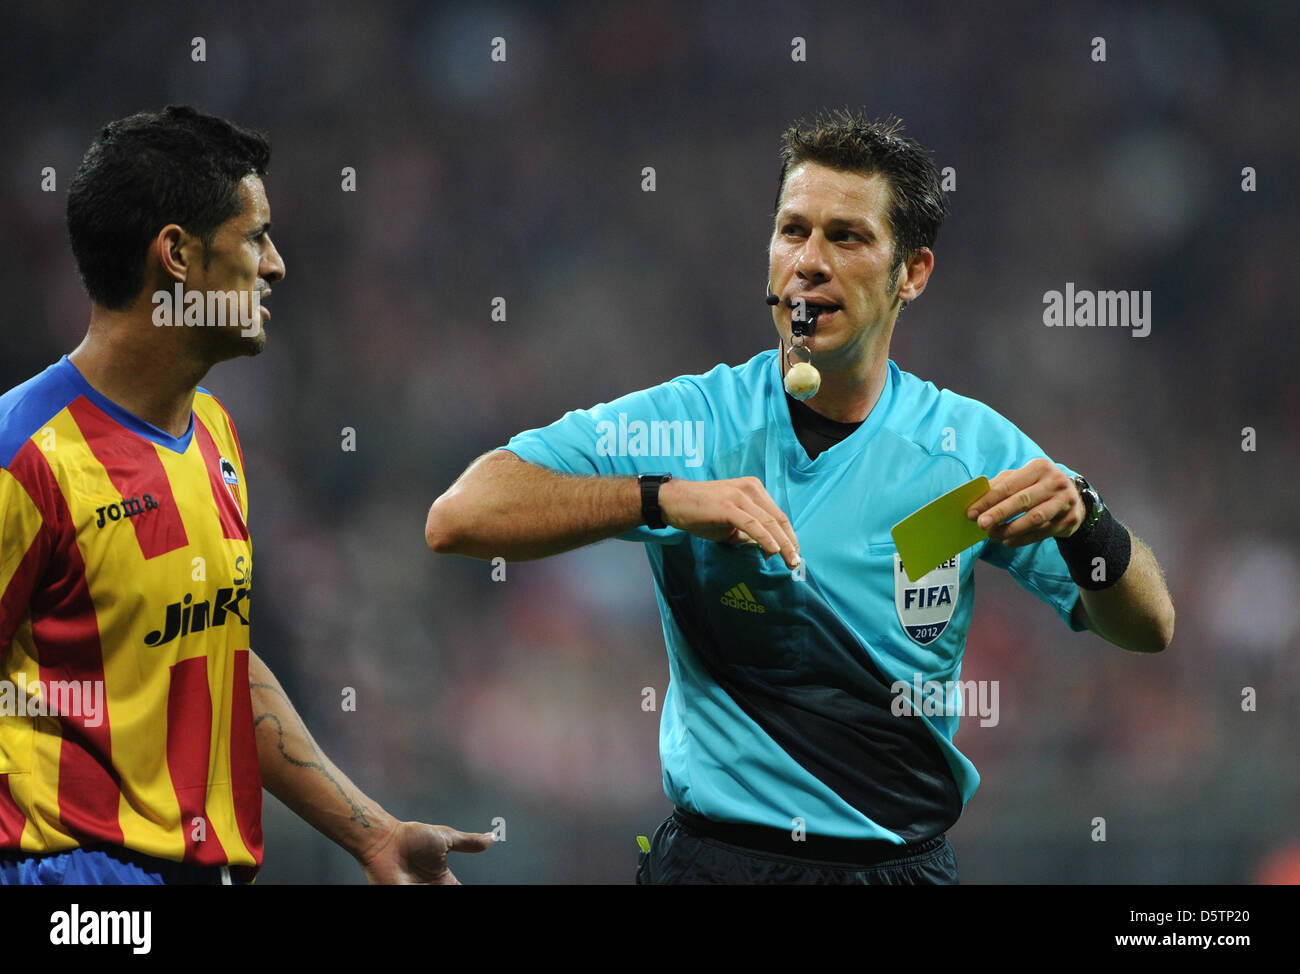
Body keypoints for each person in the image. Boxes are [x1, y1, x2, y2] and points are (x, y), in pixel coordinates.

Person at [424, 110, 1175, 885]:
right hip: (714, 865)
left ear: (911, 273)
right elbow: (461, 516)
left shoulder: (966, 456)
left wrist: (1091, 524)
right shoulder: (694, 425)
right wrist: (663, 499)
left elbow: (1148, 626)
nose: (808, 262)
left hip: (900, 870)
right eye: (792, 231)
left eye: (846, 237)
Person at [0, 105, 492, 885]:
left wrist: (373, 834)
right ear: (177, 256)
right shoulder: (20, 456)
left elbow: (213, 662)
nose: (276, 266)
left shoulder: (216, 437)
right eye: (256, 237)